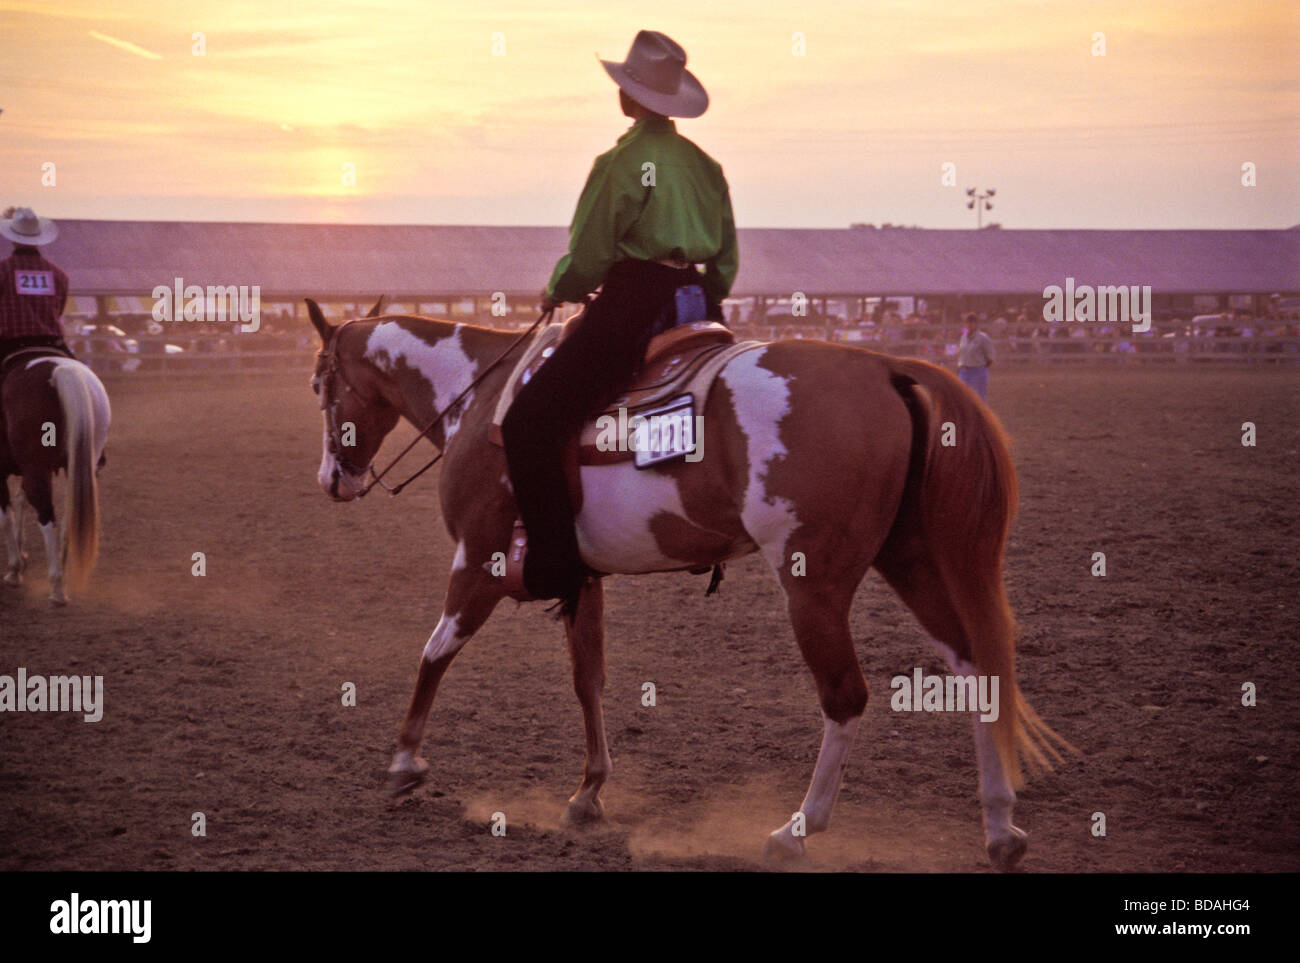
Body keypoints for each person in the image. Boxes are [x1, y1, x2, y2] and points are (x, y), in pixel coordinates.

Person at [501, 30, 738, 608]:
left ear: (627, 98)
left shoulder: (621, 163)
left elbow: (589, 257)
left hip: (633, 303)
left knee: (527, 424)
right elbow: (727, 258)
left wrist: (560, 289)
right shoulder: (705, 167)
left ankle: (555, 564)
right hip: (700, 302)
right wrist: (708, 297)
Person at [1, 207, 73, 382]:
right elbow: (59, 311)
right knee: (86, 378)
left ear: (13, 238)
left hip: (12, 344)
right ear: (38, 238)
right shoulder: (58, 274)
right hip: (53, 343)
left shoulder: (3, 270)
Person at [956, 312, 994, 401]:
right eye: (967, 323)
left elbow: (990, 356)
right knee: (963, 397)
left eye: (972, 322)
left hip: (978, 371)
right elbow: (961, 353)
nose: (969, 325)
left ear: (976, 324)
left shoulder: (983, 338)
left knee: (980, 399)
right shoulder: (963, 337)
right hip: (964, 371)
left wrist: (981, 368)